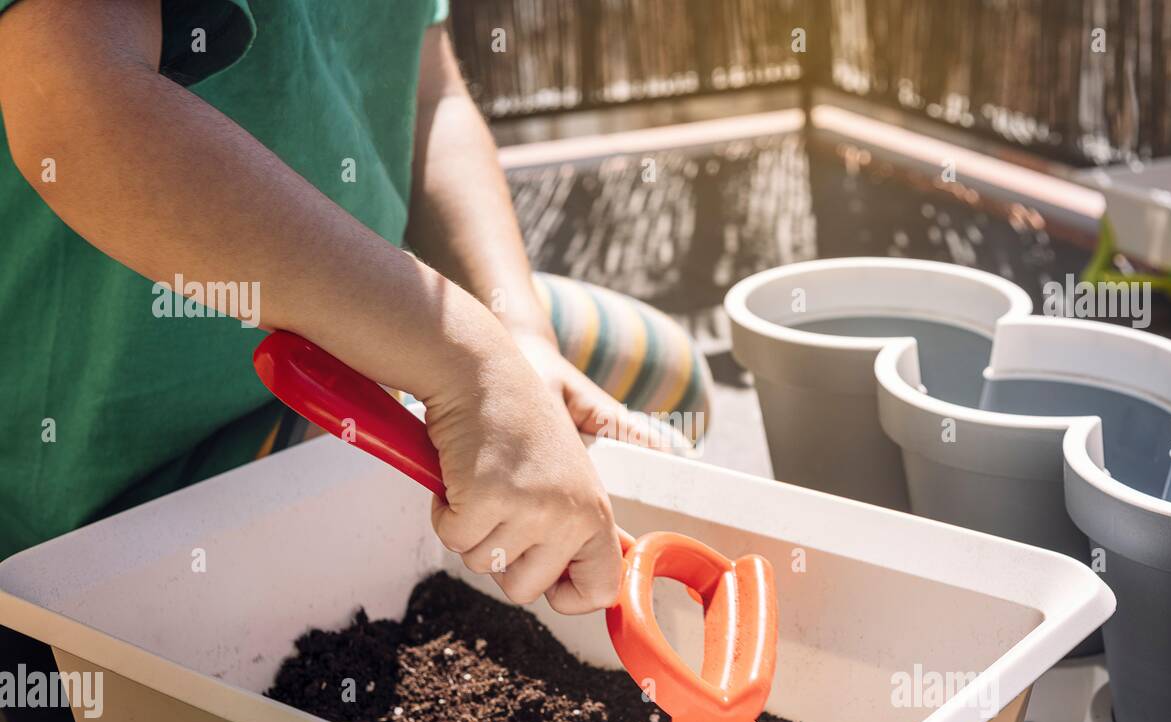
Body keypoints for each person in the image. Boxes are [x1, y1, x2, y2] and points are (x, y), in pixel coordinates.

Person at [0, 0, 712, 613]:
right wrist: (471, 370)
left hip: (371, 336)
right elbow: (74, 103)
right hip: (124, 464)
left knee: (664, 379)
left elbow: (430, 94)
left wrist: (519, 338)